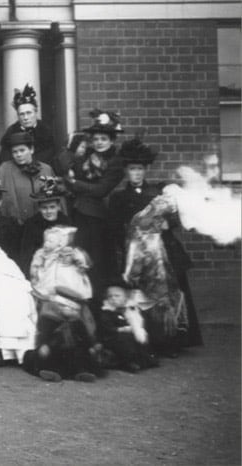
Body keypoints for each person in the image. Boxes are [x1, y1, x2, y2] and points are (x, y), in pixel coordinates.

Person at [108, 136, 202, 348]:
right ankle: (149, 342)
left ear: (145, 170)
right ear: (127, 171)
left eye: (140, 169)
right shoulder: (119, 198)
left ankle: (172, 340)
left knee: (167, 295)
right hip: (136, 252)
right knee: (142, 297)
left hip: (162, 250)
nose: (136, 173)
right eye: (132, 169)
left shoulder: (157, 193)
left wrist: (169, 224)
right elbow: (114, 228)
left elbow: (175, 217)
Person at [23, 226, 101, 382]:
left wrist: (75, 257)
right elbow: (35, 270)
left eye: (51, 240)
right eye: (46, 240)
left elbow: (85, 264)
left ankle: (82, 368)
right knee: (50, 336)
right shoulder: (42, 254)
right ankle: (49, 367)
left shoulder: (71, 254)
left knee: (78, 338)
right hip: (50, 294)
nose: (47, 243)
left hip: (71, 291)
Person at [64, 109, 125, 303]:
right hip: (81, 214)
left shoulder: (115, 162)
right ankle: (86, 302)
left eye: (104, 139)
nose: (99, 142)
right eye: (96, 139)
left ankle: (99, 304)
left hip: (101, 219)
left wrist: (76, 185)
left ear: (112, 141)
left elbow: (101, 190)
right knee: (82, 260)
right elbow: (68, 171)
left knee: (98, 263)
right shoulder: (86, 157)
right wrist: (73, 183)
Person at [0, 131, 56, 225]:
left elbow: (52, 197)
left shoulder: (46, 170)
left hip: (42, 223)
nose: (18, 155)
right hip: (16, 224)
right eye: (14, 152)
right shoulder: (5, 169)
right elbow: (0, 199)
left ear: (31, 149)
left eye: (22, 150)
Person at [17, 177, 72, 276]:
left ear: (59, 206)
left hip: (62, 268)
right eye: (44, 208)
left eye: (52, 207)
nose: (48, 211)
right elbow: (26, 255)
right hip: (40, 269)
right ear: (39, 208)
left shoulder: (66, 222)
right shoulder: (31, 224)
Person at [99, 285, 157, 373]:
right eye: (110, 296)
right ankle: (128, 362)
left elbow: (138, 321)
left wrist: (137, 328)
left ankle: (145, 359)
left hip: (130, 332)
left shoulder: (130, 308)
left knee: (141, 335)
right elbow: (106, 327)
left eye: (117, 296)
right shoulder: (107, 311)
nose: (113, 299)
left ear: (125, 297)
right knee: (125, 339)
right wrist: (122, 329)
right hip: (113, 336)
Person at [0, 84, 55, 165]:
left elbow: (50, 155)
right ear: (18, 116)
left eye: (29, 113)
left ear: (36, 113)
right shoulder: (11, 132)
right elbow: (5, 157)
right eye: (22, 114)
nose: (25, 117)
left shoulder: (46, 131)